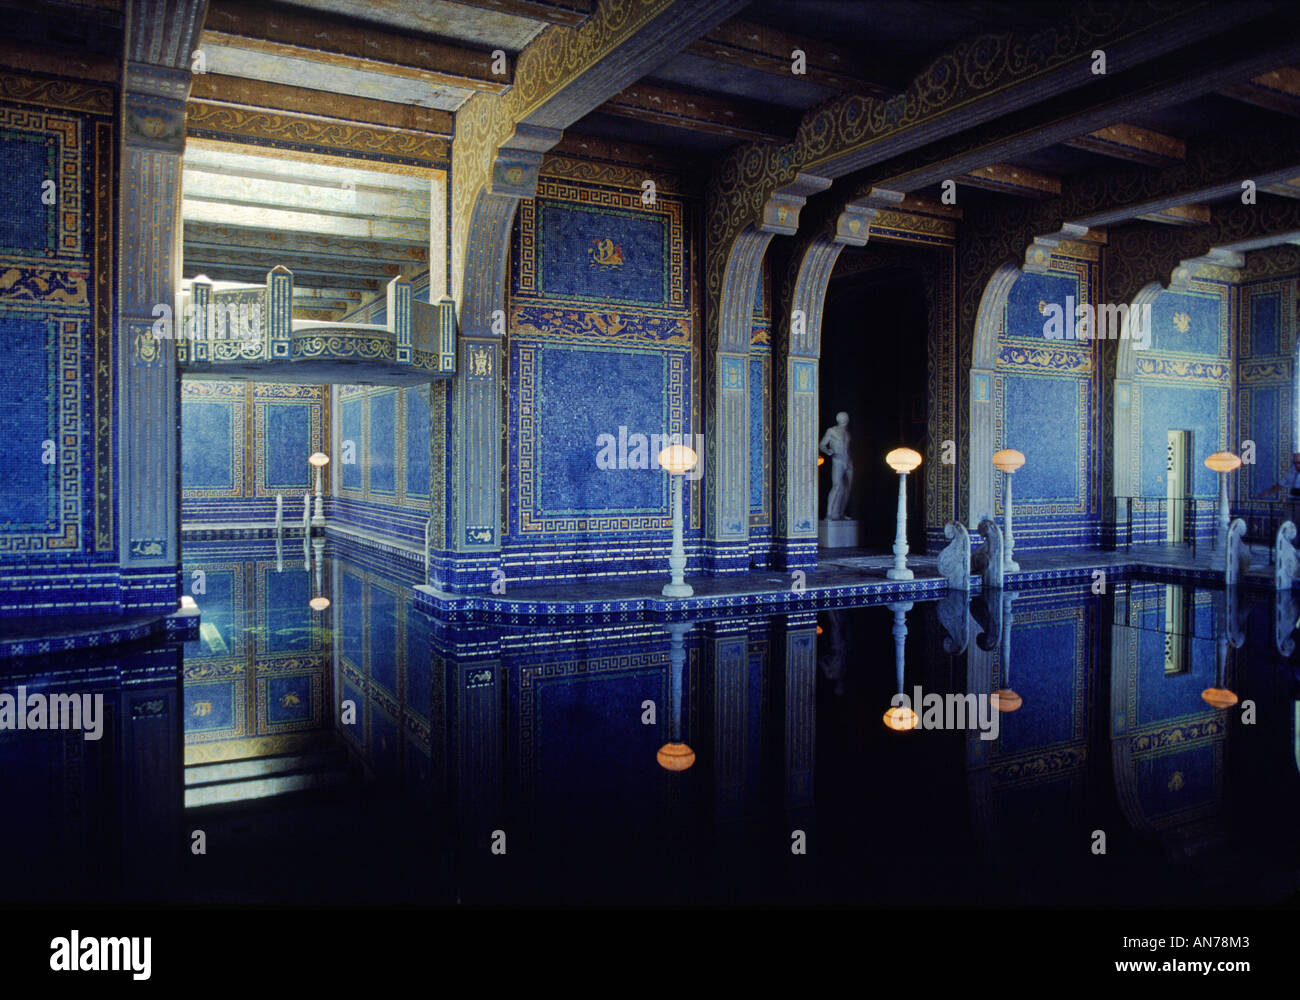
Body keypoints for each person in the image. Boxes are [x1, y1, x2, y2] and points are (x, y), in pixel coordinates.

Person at [819, 412, 852, 520]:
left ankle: (841, 512)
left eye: (846, 418)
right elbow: (822, 444)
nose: (844, 420)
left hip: (848, 461)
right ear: (838, 419)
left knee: (847, 488)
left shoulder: (847, 433)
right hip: (838, 460)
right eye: (843, 418)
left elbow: (848, 448)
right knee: (837, 486)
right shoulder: (832, 431)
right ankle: (829, 514)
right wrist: (827, 450)